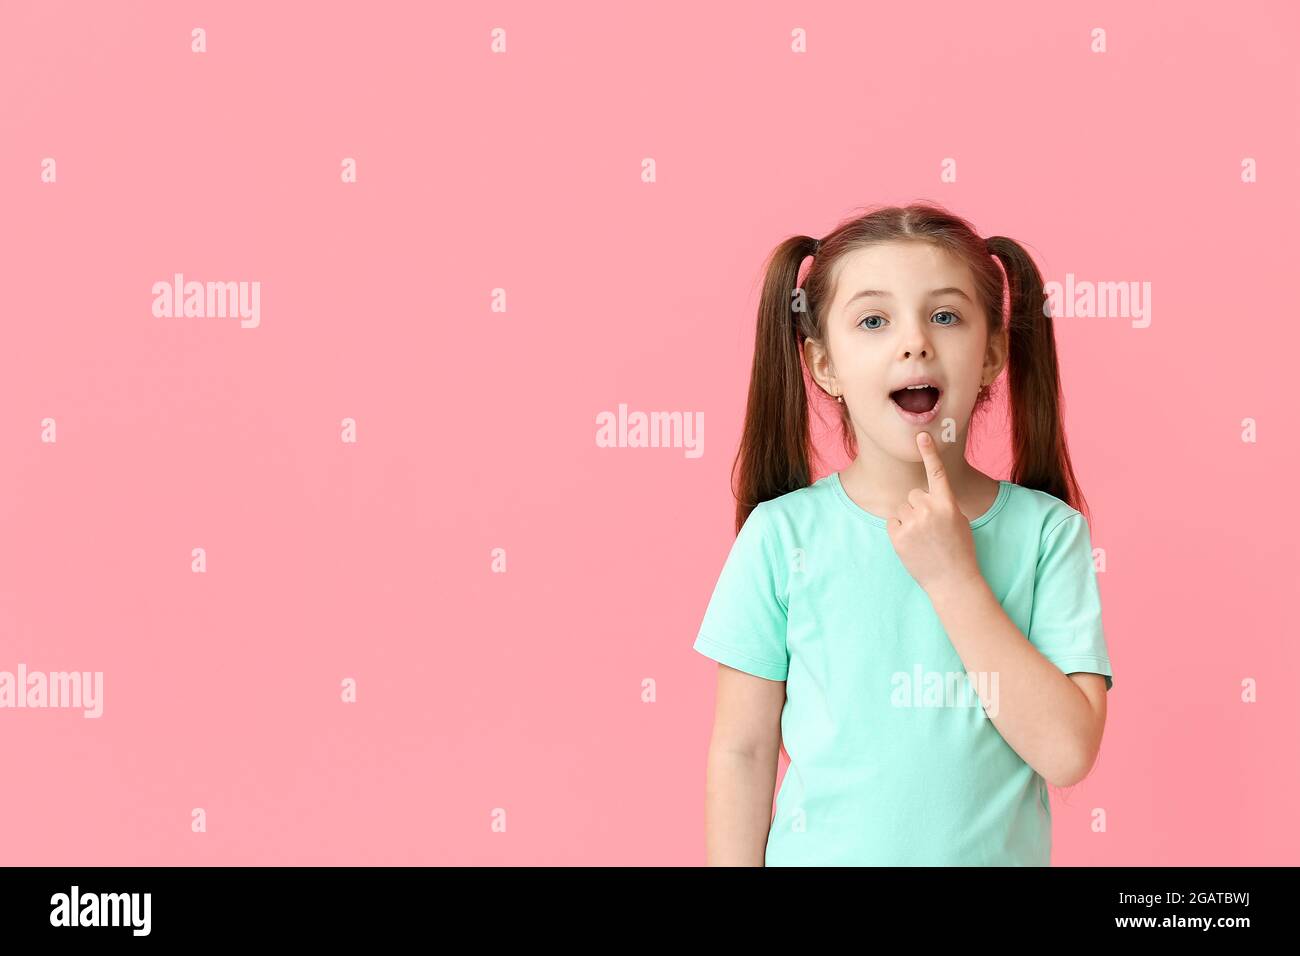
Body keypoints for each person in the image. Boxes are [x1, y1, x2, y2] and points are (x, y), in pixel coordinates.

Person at [694, 202, 1114, 866]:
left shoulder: (1047, 536)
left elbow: (1066, 753)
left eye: (945, 316)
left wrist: (954, 577)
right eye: (873, 320)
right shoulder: (780, 538)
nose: (914, 341)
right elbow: (742, 752)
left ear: (992, 356)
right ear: (825, 365)